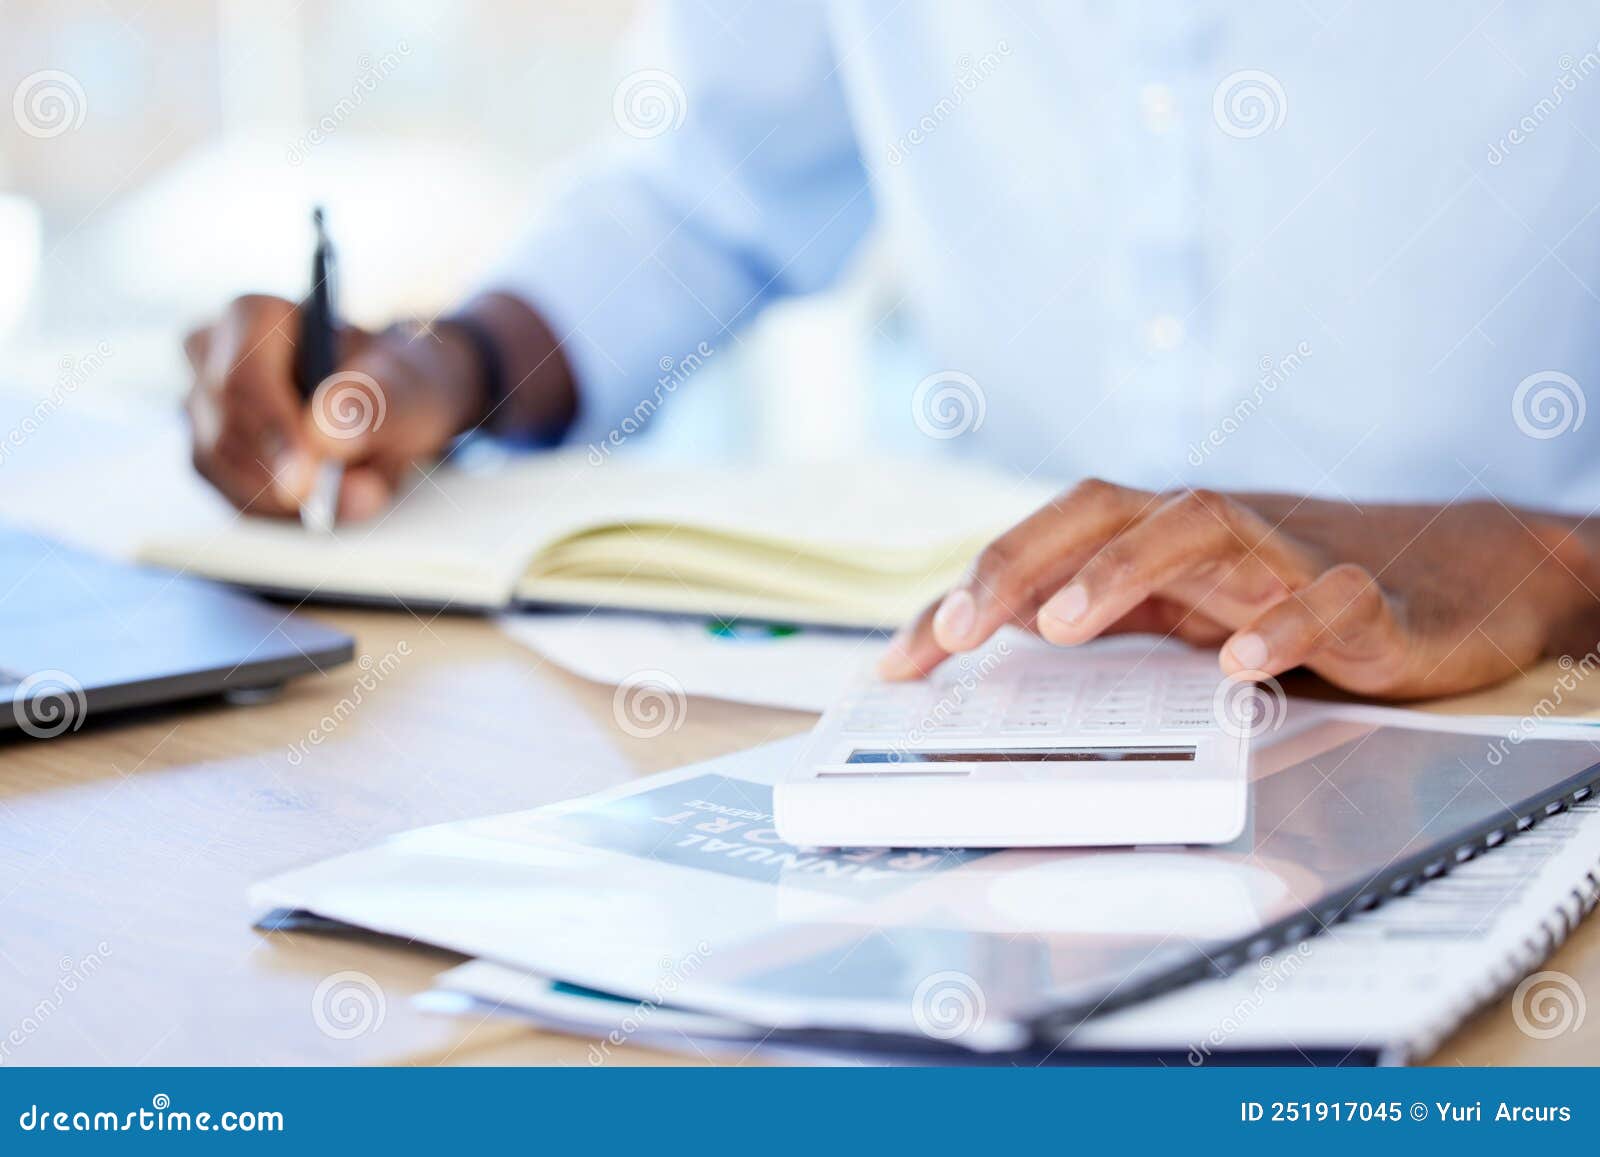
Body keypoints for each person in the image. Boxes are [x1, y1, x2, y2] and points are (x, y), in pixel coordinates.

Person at [184, 2, 1600, 701]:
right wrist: (453, 368)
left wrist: (1545, 562)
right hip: (1020, 686)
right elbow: (718, 193)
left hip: (1534, 698)